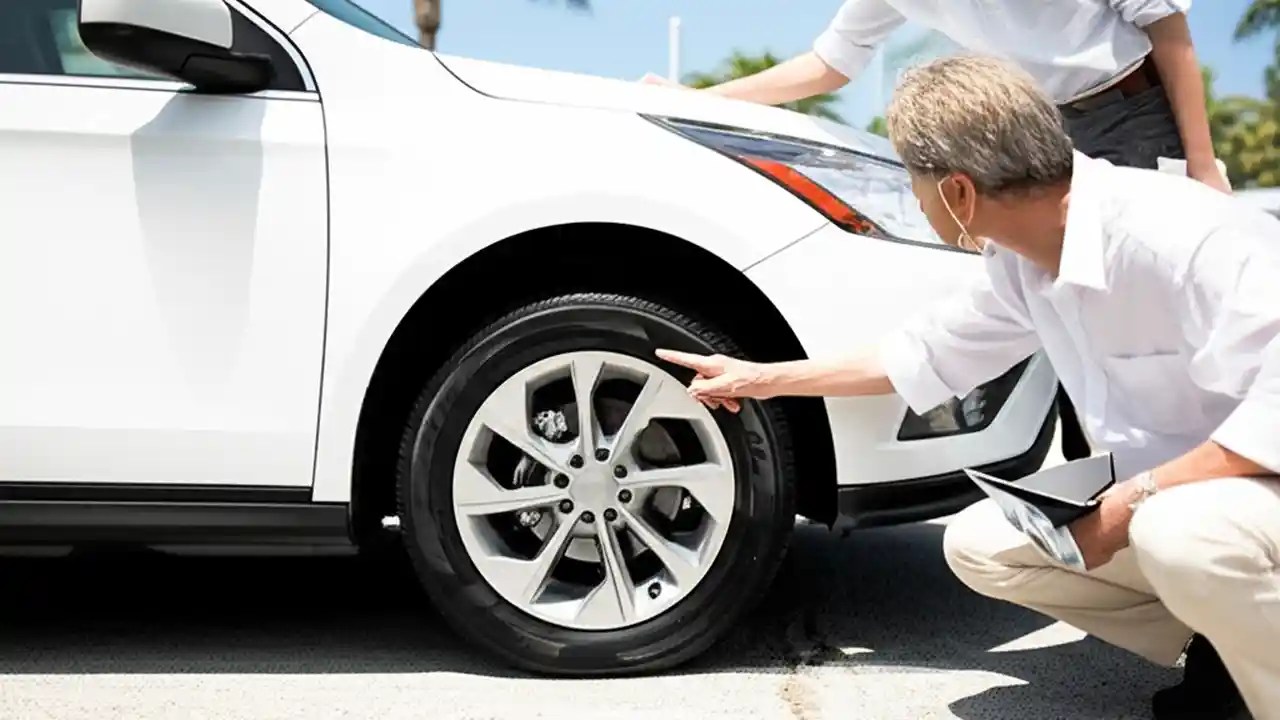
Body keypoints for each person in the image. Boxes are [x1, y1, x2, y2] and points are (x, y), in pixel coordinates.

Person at [655, 56, 1278, 720]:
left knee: (1178, 535)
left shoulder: (1178, 231)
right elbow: (918, 356)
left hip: (1244, 492)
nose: (913, 202)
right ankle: (1232, 641)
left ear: (957, 192)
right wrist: (761, 380)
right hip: (1189, 507)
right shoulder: (1023, 263)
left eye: (910, 183)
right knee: (983, 546)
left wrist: (1135, 499)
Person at [645, 0, 1231, 463]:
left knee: (1149, 309)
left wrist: (1201, 165)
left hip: (1130, 106)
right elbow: (830, 65)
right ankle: (1108, 501)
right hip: (1043, 128)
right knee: (1061, 319)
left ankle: (1205, 483)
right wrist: (700, 99)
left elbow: (1164, 21)